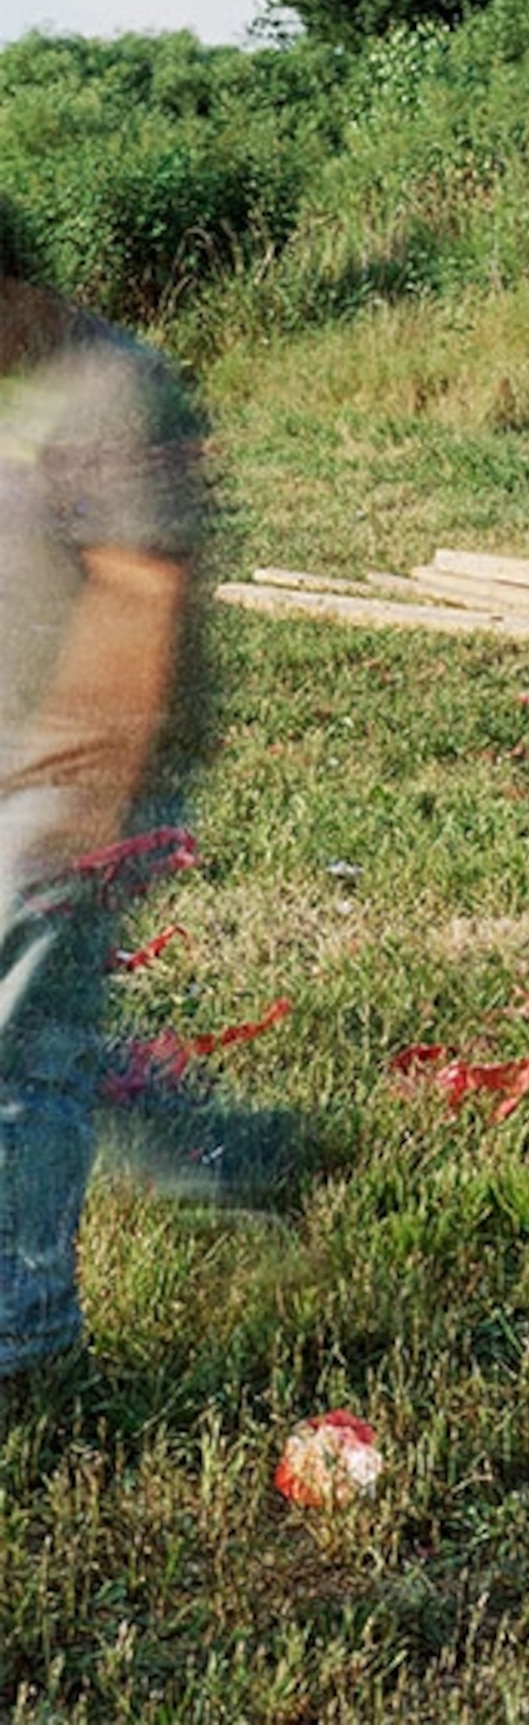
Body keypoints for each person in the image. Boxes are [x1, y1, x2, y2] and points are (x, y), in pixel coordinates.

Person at [1, 196, 208, 1388]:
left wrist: (85, 796)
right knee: (38, 1030)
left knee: (21, 1057)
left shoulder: (115, 388)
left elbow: (141, 593)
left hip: (88, 769)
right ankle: (224, 1147)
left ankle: (23, 1334)